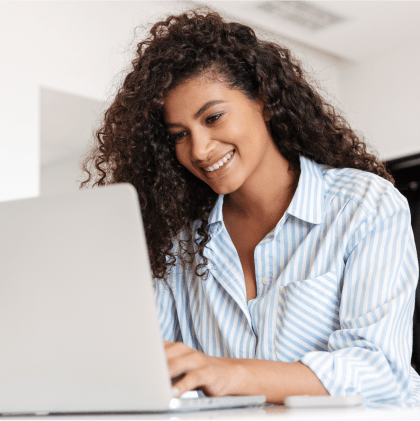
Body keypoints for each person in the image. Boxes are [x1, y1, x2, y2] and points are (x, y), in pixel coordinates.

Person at [80, 8, 420, 406]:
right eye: (179, 135)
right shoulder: (177, 245)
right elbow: (153, 372)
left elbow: (381, 370)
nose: (199, 149)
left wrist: (230, 373)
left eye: (214, 117)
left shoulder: (363, 205)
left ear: (263, 100)